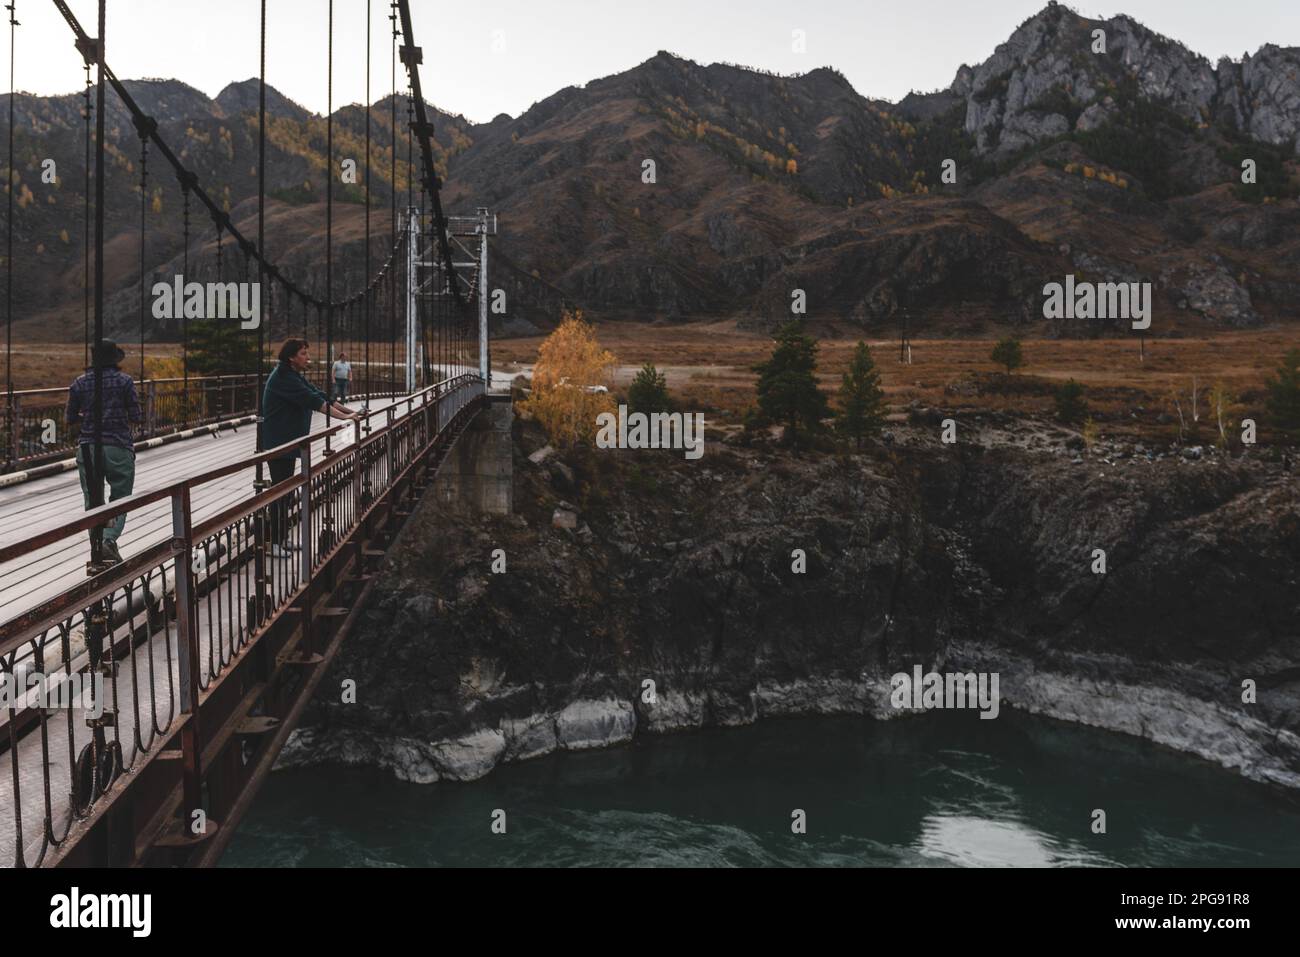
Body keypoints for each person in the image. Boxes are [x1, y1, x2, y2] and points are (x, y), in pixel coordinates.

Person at [262, 338, 362, 557]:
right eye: (304, 354)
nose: (308, 358)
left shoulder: (293, 375)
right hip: (279, 443)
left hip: (287, 442)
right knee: (280, 492)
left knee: (286, 492)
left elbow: (322, 397)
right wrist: (346, 419)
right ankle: (273, 544)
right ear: (291, 357)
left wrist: (351, 413)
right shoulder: (283, 378)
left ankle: (281, 538)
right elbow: (316, 403)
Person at [66, 339, 143, 565]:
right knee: (120, 497)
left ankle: (97, 545)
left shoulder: (79, 383)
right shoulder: (125, 381)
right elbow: (136, 416)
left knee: (92, 499)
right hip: (118, 446)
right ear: (114, 359)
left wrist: (88, 417)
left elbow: (69, 418)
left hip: (88, 448)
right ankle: (109, 540)